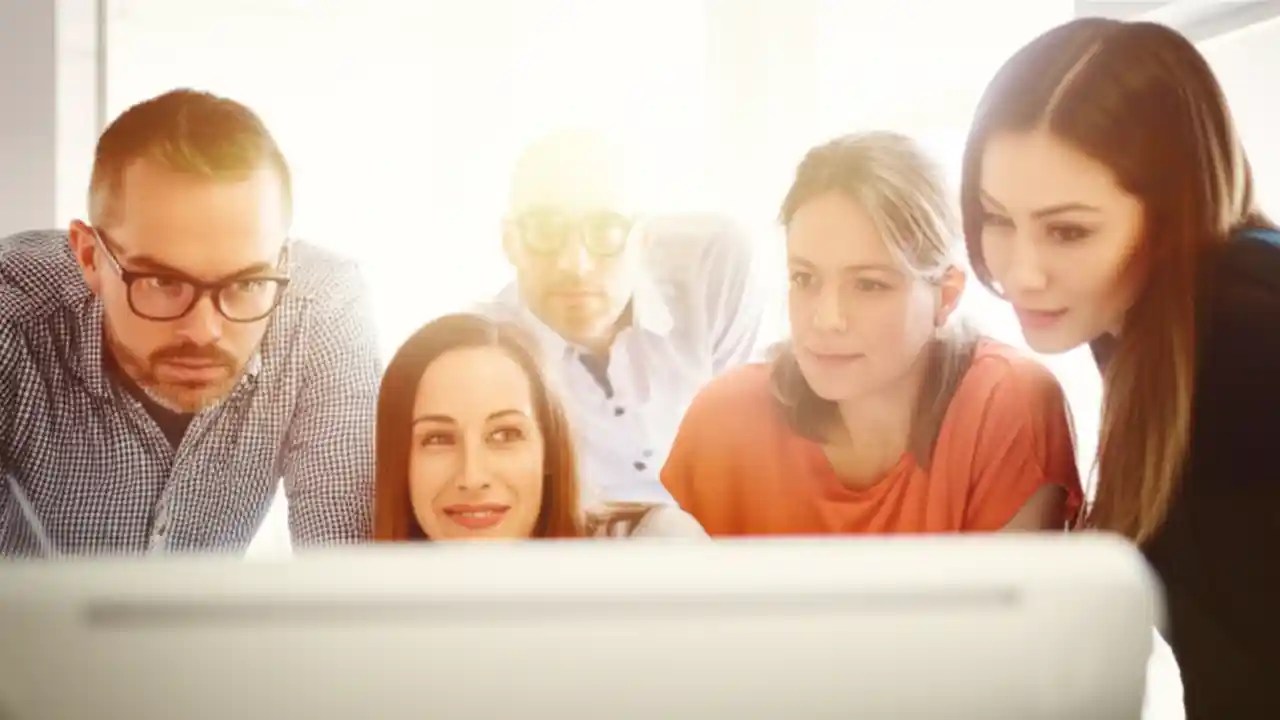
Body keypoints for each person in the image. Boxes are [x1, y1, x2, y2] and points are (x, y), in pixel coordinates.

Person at [960, 18, 1279, 719]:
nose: (1020, 271)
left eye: (1068, 230)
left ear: (1172, 214)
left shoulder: (1246, 349)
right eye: (996, 217)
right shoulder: (1173, 322)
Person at [0, 89, 380, 555]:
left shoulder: (321, 307)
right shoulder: (12, 316)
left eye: (246, 282)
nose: (204, 331)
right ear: (89, 257)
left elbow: (345, 569)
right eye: (162, 281)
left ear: (281, 257)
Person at [661, 131, 1082, 535]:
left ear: (946, 295)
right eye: (804, 278)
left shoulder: (1006, 405)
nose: (826, 320)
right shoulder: (726, 420)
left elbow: (1012, 607)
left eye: (869, 285)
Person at [475, 130, 764, 504]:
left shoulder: (714, 271)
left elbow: (750, 451)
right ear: (509, 242)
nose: (575, 265)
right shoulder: (482, 358)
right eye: (545, 229)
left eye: (605, 229)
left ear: (643, 240)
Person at [373, 313, 706, 541]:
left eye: (505, 435)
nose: (472, 477)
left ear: (549, 449)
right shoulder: (362, 609)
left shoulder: (655, 548)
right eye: (438, 439)